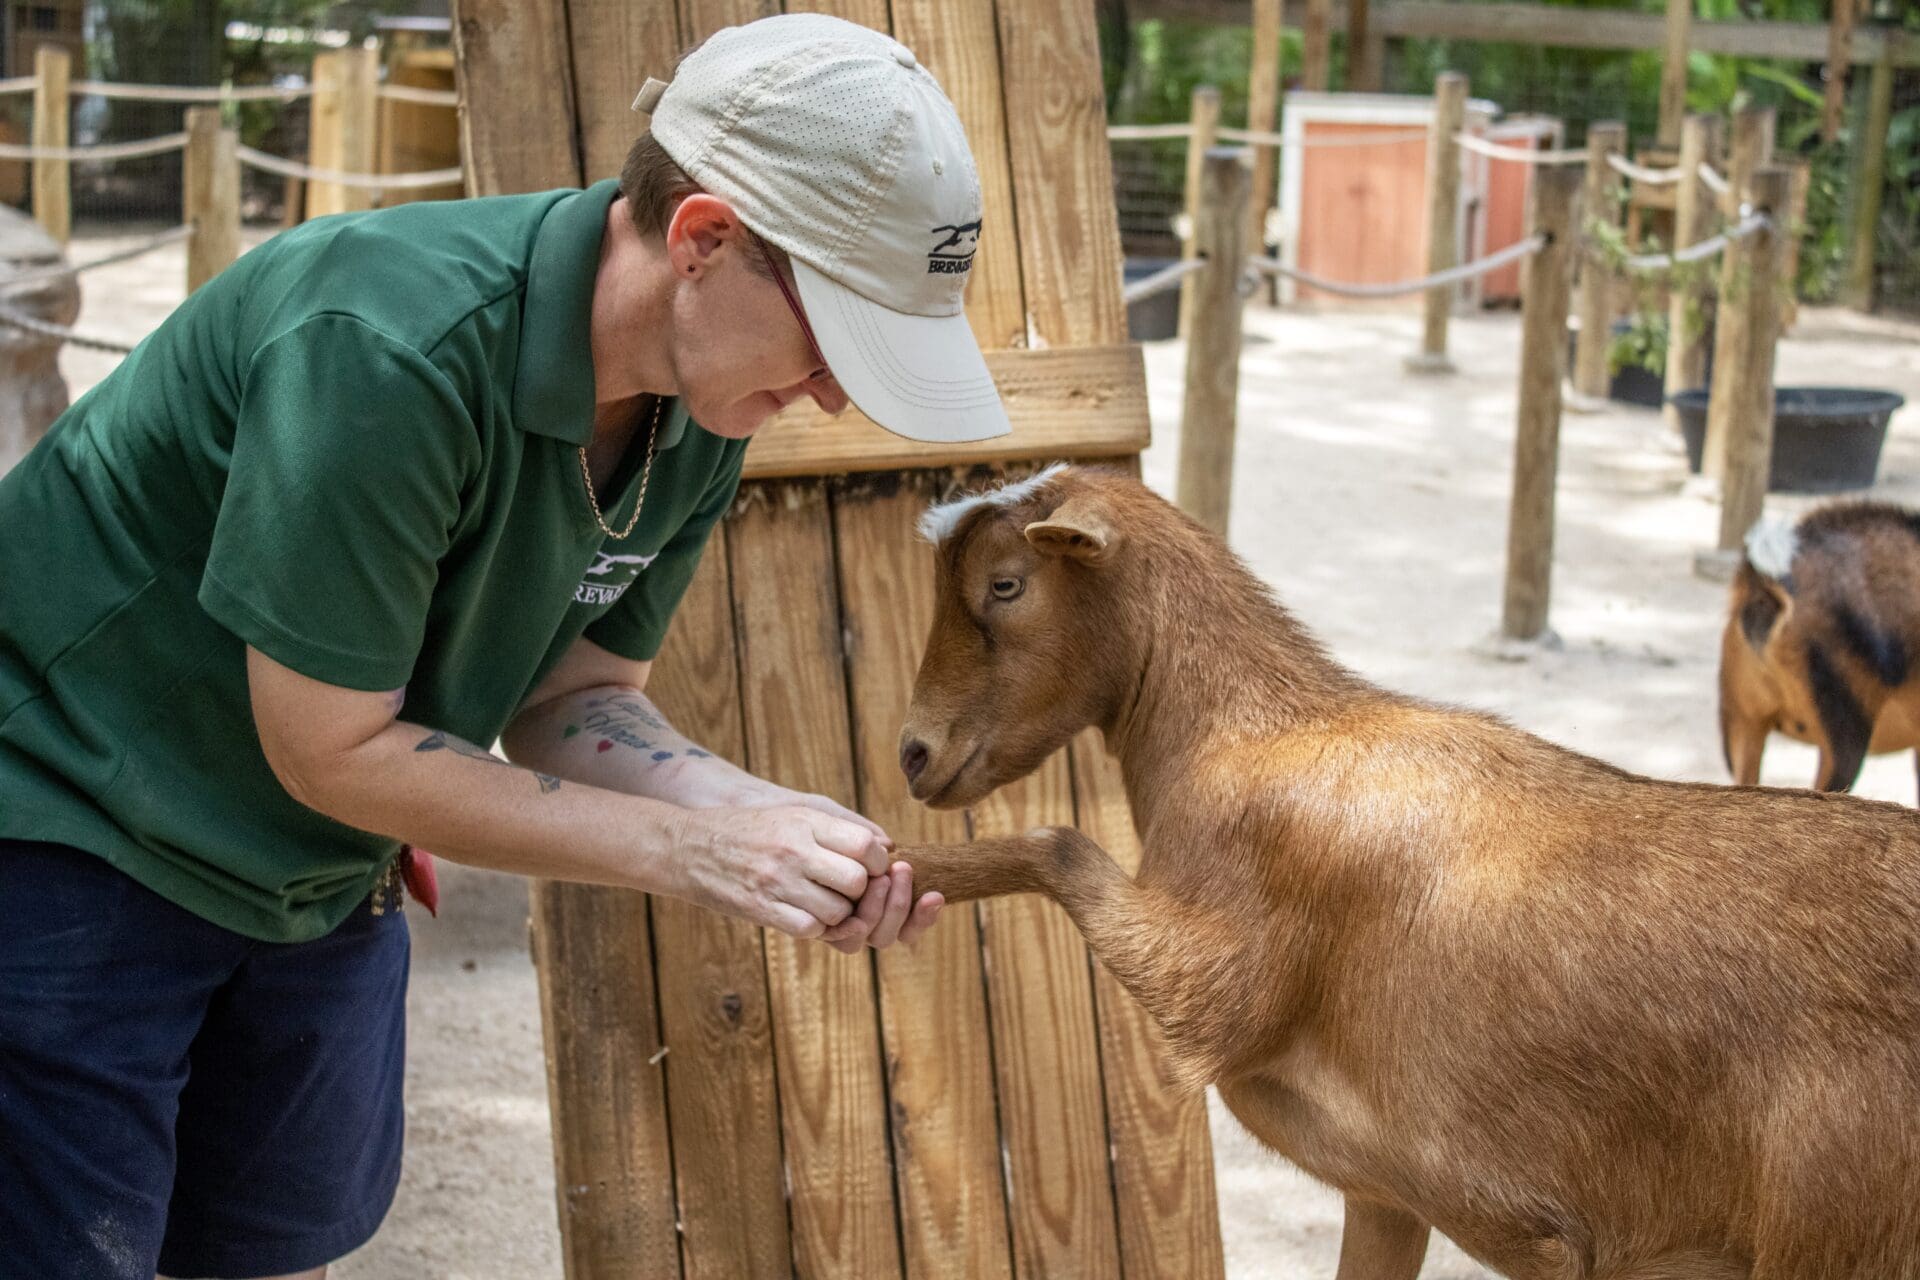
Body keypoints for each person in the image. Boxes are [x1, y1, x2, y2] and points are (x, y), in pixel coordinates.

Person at [0, 14, 1011, 1279]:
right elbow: (334, 746)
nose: (837, 395)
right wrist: (697, 849)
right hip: (74, 833)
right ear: (703, 240)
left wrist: (761, 818)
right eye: (837, 341)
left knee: (267, 1254)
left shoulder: (703, 404)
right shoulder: (382, 343)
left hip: (313, 873)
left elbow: (574, 691)